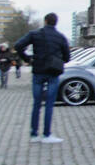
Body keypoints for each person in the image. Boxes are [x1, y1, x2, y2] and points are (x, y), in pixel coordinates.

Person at [14, 12, 71, 143]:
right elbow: (67, 57)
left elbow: (18, 46)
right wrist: (58, 58)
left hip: (38, 70)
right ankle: (47, 134)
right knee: (49, 104)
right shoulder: (61, 37)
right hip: (53, 72)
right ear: (56, 22)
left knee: (37, 103)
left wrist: (27, 58)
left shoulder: (35, 34)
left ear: (45, 21)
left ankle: (34, 133)